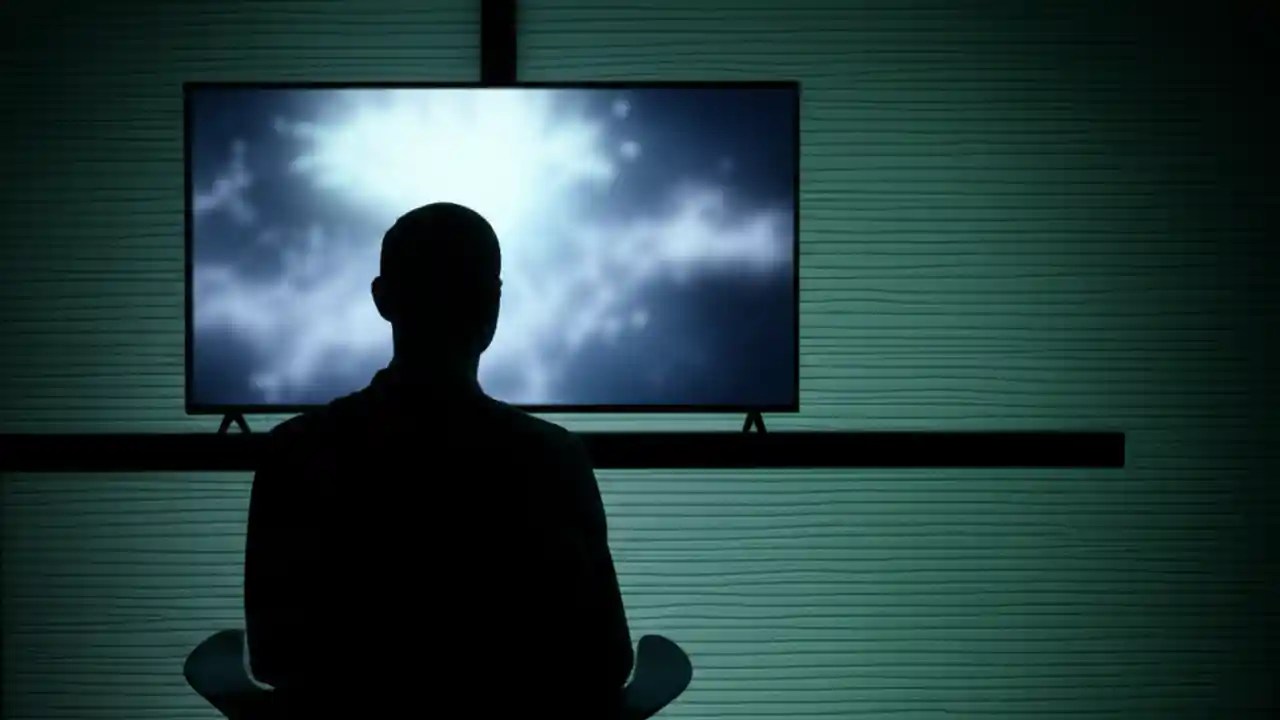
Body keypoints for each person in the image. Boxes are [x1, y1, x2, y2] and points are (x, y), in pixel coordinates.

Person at [243, 203, 634, 717]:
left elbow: (274, 657)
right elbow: (605, 660)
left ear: (383, 299)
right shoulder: (552, 459)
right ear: (493, 304)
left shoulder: (293, 453)